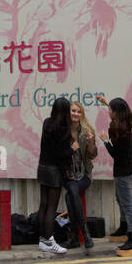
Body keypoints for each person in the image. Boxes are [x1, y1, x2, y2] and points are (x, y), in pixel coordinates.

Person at [98, 95, 132, 255]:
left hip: (123, 171)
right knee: (120, 198)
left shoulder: (118, 129)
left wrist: (105, 140)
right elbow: (121, 109)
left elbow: (115, 153)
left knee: (127, 204)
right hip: (127, 168)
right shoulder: (125, 122)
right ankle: (124, 228)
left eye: (109, 110)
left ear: (115, 113)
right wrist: (106, 102)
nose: (108, 111)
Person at [36, 97, 74, 254]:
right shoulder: (64, 128)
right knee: (52, 207)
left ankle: (42, 239)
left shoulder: (47, 123)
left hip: (42, 168)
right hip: (54, 171)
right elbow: (61, 154)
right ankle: (49, 240)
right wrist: (73, 149)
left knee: (43, 205)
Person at [63, 100, 98, 254]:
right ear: (68, 113)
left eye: (78, 111)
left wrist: (90, 143)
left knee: (71, 193)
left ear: (82, 115)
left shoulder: (86, 131)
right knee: (71, 191)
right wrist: (70, 149)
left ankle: (77, 236)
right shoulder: (62, 131)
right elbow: (58, 155)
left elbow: (92, 155)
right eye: (73, 111)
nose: (75, 114)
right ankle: (84, 234)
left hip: (84, 175)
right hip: (69, 175)